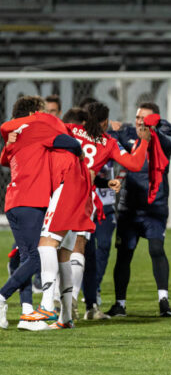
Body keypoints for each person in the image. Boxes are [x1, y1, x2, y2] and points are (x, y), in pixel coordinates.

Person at [0, 96, 83, 330]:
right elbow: (73, 144)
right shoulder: (37, 130)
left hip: (13, 201)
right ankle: (4, 297)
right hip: (32, 201)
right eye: (43, 111)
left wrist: (10, 136)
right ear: (34, 114)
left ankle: (26, 310)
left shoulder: (15, 139)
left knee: (27, 257)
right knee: (39, 255)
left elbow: (4, 156)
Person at [66, 101, 150, 320]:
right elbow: (134, 164)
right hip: (82, 198)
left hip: (57, 194)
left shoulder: (71, 130)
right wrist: (143, 142)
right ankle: (70, 301)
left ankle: (81, 304)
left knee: (61, 249)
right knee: (79, 248)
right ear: (105, 122)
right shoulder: (108, 141)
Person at [108, 101, 171, 318]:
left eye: (144, 119)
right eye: (138, 118)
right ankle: (120, 304)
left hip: (155, 207)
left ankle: (163, 300)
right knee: (124, 255)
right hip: (129, 207)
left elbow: (169, 144)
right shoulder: (127, 132)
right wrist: (109, 128)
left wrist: (152, 130)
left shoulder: (164, 133)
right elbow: (106, 140)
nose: (140, 122)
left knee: (156, 250)